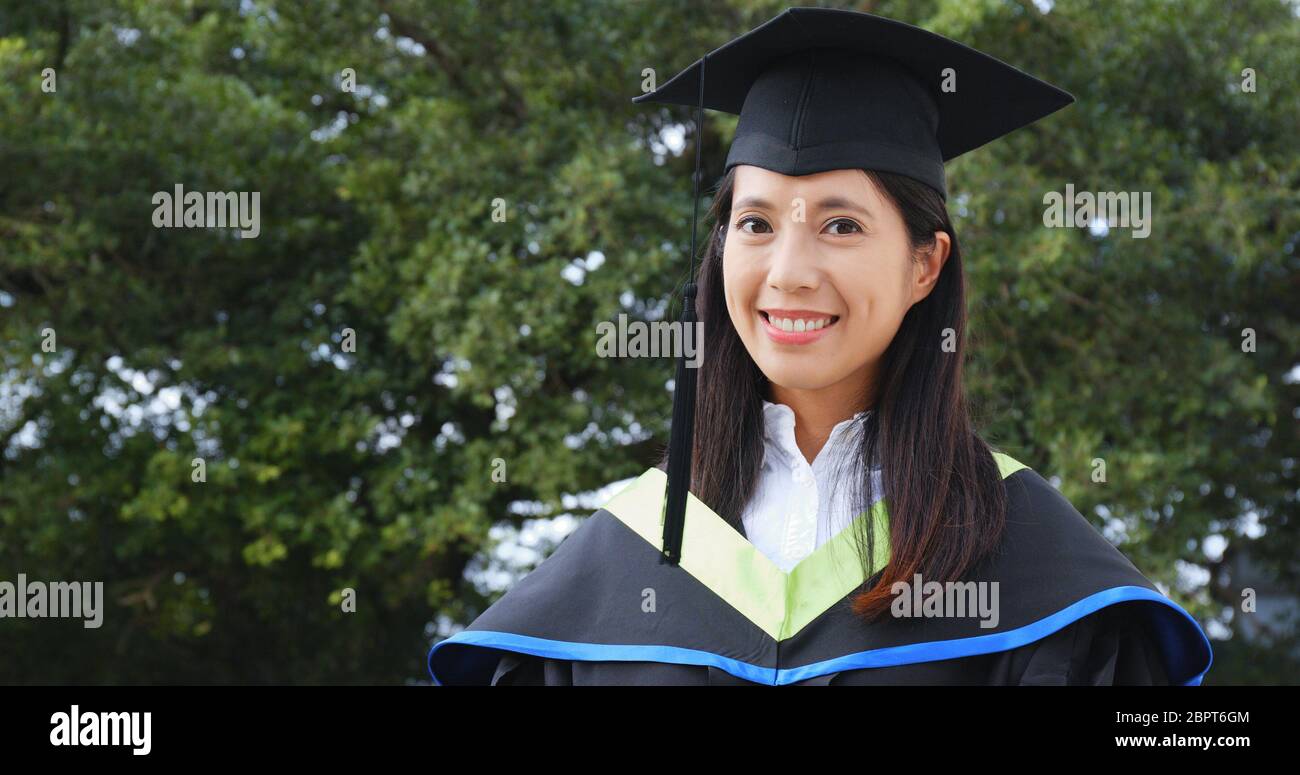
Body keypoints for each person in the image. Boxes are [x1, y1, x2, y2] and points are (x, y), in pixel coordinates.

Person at [428, 7, 1213, 685]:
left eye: (842, 224)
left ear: (924, 264)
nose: (790, 272)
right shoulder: (617, 562)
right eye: (756, 223)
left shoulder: (1030, 565)